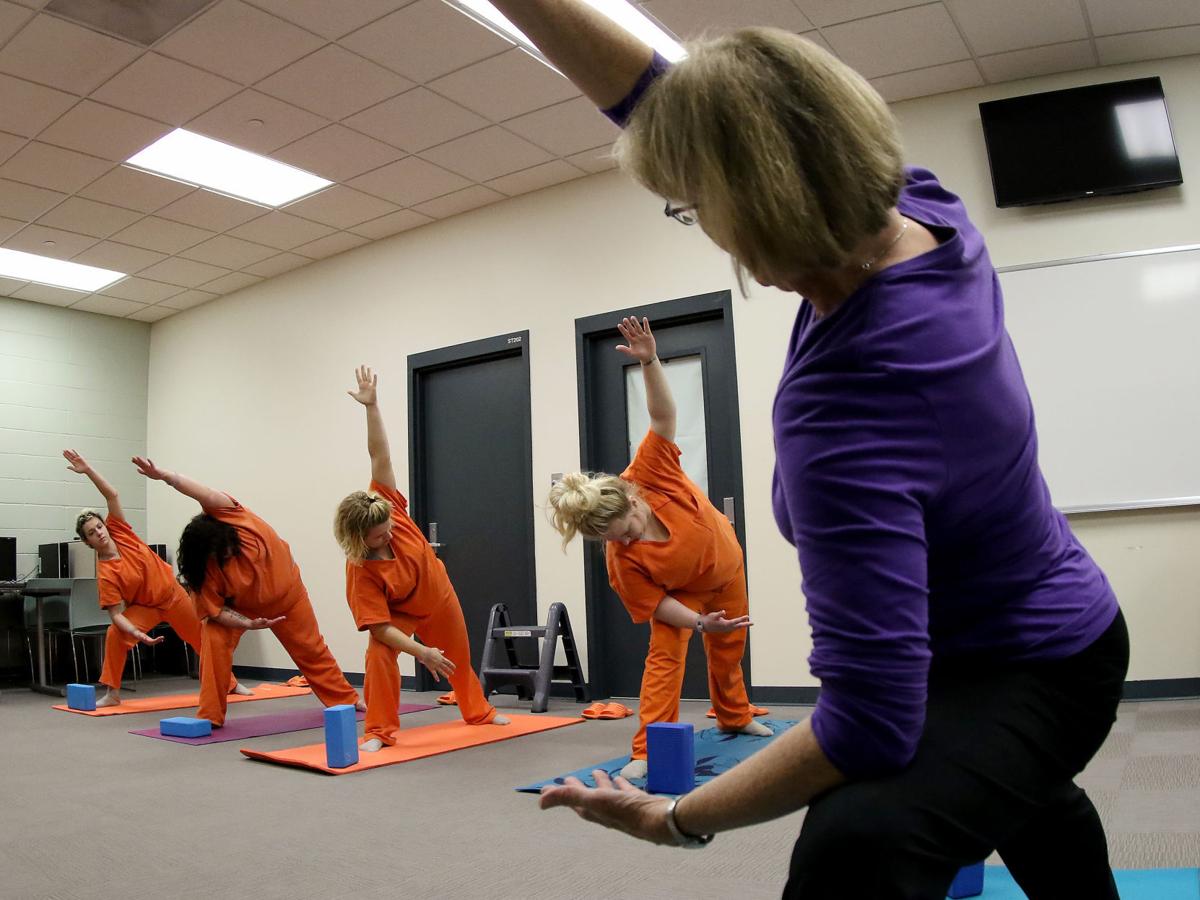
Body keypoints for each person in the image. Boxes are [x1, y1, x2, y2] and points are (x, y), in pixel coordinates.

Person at [488, 4, 1128, 898]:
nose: (696, 213)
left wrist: (676, 818)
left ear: (755, 213)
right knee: (997, 779)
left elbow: (869, 725)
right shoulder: (915, 204)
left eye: (691, 204)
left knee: (859, 842)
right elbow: (696, 113)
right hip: (996, 628)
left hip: (1039, 657)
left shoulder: (847, 412)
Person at [548, 317, 769, 779]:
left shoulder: (648, 472)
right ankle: (646, 750)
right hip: (683, 596)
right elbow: (657, 604)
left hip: (727, 570)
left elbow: (664, 416)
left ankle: (735, 715)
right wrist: (698, 622)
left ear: (632, 498)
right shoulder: (621, 559)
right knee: (665, 660)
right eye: (610, 539)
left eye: (624, 529)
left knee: (730, 650)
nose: (624, 542)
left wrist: (649, 361)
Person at [334, 366, 507, 752]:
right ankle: (379, 731)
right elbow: (380, 628)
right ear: (360, 537)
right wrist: (422, 652)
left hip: (438, 593)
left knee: (459, 657)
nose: (390, 533)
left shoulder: (388, 507)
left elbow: (379, 453)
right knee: (380, 655)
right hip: (401, 615)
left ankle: (477, 711)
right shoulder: (360, 569)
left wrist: (372, 406)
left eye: (389, 526)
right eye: (380, 535)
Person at [132, 456, 362, 726]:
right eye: (222, 556)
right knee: (213, 640)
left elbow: (203, 492)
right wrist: (249, 623)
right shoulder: (203, 574)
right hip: (243, 609)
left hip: (289, 597)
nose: (230, 555)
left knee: (311, 650)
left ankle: (346, 700)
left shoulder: (233, 515)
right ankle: (210, 716)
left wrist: (166, 476)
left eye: (228, 549)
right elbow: (217, 613)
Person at [63, 449, 248, 707]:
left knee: (202, 637)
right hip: (146, 608)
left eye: (99, 527)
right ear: (87, 542)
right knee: (114, 633)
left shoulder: (119, 530)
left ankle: (230, 683)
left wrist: (88, 470)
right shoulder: (106, 572)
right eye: (92, 533)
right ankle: (112, 693)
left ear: (105, 526)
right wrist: (139, 634)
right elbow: (116, 615)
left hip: (173, 596)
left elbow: (112, 494)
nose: (99, 533)